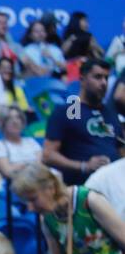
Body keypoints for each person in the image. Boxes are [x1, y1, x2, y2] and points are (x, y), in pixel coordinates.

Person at [12, 162, 125, 254]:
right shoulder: (47, 220)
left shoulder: (89, 200)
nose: (30, 208)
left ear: (51, 188)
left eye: (33, 199)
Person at [42, 58, 120, 186]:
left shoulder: (111, 113)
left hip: (114, 187)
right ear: (82, 79)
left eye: (106, 78)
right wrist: (84, 166)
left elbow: (121, 151)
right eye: (98, 77)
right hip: (81, 189)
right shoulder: (68, 111)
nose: (104, 83)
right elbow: (48, 155)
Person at [0, 105, 42, 180]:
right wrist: (29, 165)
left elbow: (40, 166)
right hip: (17, 183)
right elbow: (8, 171)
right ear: (3, 123)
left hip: (37, 179)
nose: (15, 121)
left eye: (18, 117)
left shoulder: (31, 141)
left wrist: (18, 166)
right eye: (9, 118)